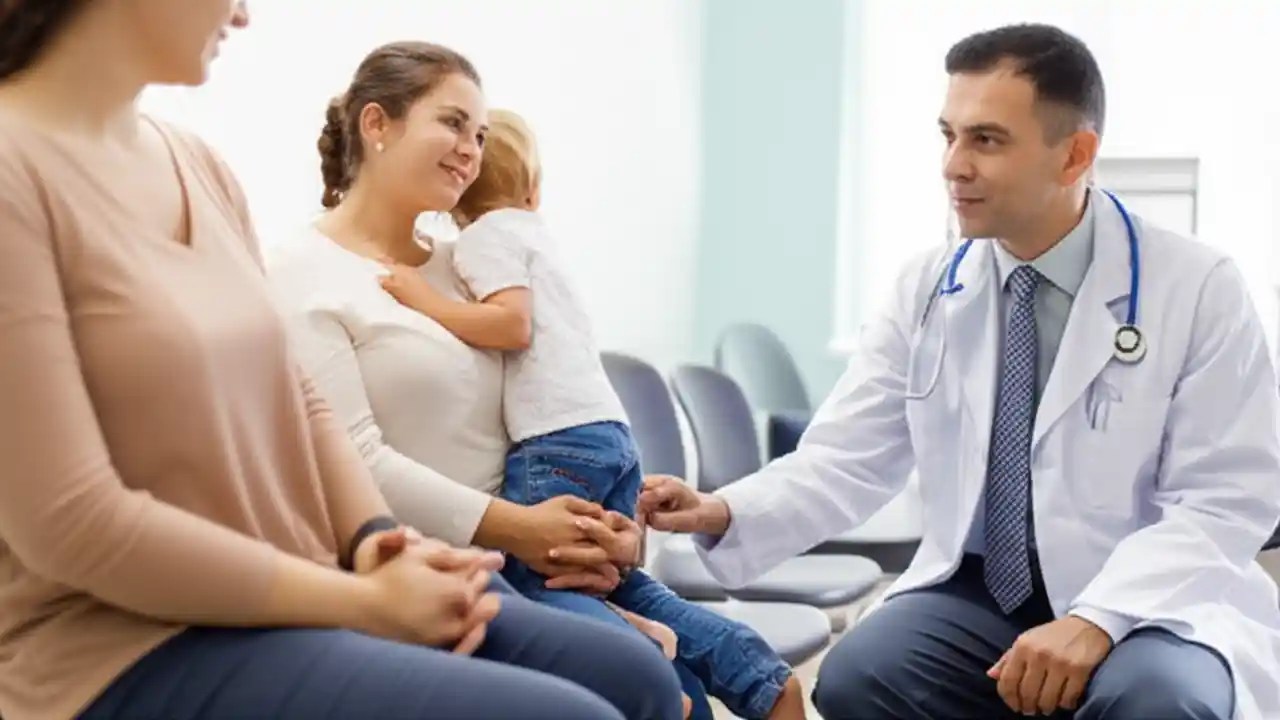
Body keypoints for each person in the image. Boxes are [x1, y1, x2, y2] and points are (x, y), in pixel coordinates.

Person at [0, 2, 684, 718]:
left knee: (632, 677)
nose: (241, 14)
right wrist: (361, 601)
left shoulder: (198, 164)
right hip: (122, 648)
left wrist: (378, 544)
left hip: (312, 580)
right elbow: (72, 524)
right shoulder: (17, 173)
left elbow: (298, 396)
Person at [641, 22, 1280, 720]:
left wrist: (1098, 617)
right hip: (979, 592)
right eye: (948, 135)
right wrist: (725, 508)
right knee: (862, 674)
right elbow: (846, 456)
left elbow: (1225, 499)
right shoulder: (928, 289)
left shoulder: (1196, 286)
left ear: (1075, 155)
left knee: (1159, 701)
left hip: (1153, 601)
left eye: (986, 140)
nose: (952, 164)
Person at [263, 39, 706, 718]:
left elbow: (558, 417)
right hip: (429, 568)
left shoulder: (473, 265)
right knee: (644, 687)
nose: (470, 148)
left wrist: (614, 534)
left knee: (691, 693)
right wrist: (521, 529)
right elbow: (353, 460)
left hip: (533, 556)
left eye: (479, 132)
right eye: (450, 122)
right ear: (376, 124)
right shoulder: (301, 273)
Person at [375, 107, 807, 720]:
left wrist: (419, 297)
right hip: (604, 431)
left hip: (557, 442)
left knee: (531, 578)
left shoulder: (484, 238)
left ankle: (643, 650)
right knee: (614, 581)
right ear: (534, 188)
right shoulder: (535, 237)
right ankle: (759, 678)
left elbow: (511, 325)